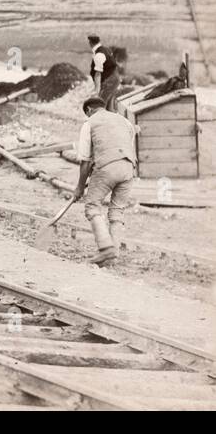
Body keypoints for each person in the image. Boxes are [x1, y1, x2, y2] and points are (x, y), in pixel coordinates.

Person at [72, 95, 138, 264]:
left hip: (107, 168)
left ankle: (105, 248)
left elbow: (85, 161)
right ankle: (112, 254)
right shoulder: (124, 121)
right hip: (129, 168)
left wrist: (80, 187)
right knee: (117, 211)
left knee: (92, 206)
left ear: (88, 110)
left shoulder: (89, 123)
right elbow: (122, 146)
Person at [87, 34, 120, 111]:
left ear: (90, 43)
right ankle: (111, 121)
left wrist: (97, 90)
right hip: (114, 79)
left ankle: (100, 121)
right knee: (109, 107)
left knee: (99, 104)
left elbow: (98, 74)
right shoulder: (106, 49)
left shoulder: (99, 54)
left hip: (110, 81)